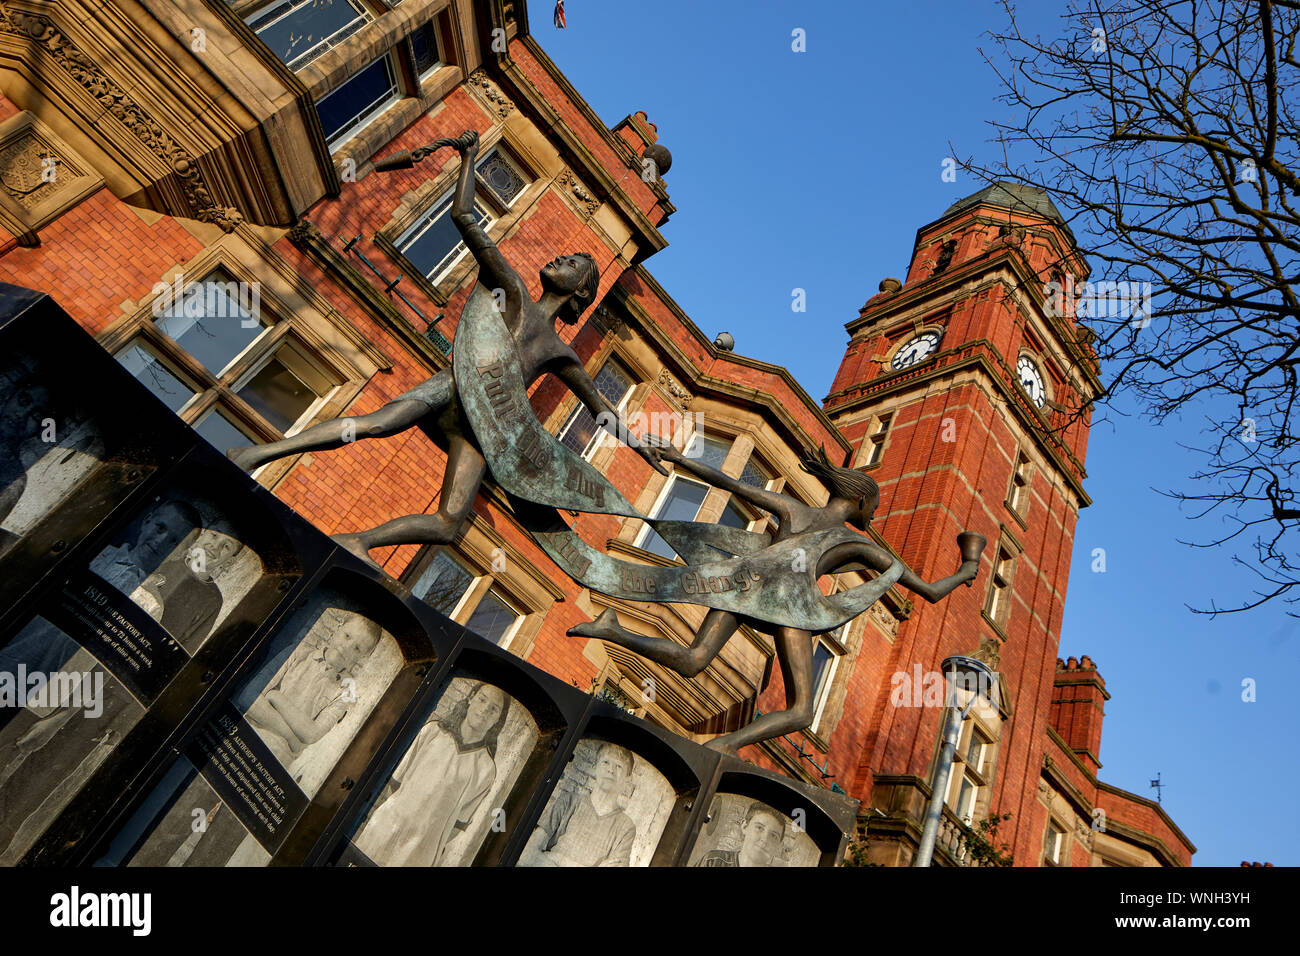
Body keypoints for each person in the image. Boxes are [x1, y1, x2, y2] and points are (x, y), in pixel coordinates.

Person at [227, 129, 664, 568]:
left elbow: (599, 407)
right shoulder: (510, 288)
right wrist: (470, 158)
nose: (558, 260)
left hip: (480, 429)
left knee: (450, 523)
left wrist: (641, 445)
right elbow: (464, 215)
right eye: (564, 256)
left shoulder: (560, 352)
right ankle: (257, 454)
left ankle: (358, 540)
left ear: (580, 293)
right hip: (452, 388)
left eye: (571, 264)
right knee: (373, 425)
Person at [570, 444, 983, 755]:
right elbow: (928, 591)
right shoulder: (857, 544)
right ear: (859, 501)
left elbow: (732, 484)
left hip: (744, 588)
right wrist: (967, 567)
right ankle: (726, 745)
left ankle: (614, 630)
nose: (873, 515)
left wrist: (679, 457)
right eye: (873, 506)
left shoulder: (793, 509)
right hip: (790, 611)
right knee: (801, 711)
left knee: (694, 659)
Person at [353, 681, 510, 866]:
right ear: (470, 699)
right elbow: (395, 783)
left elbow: (458, 824)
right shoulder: (432, 732)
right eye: (482, 700)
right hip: (386, 827)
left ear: (497, 721)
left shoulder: (486, 769)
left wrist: (427, 838)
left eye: (493, 709)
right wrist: (399, 819)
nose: (485, 710)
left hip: (421, 852)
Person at [244, 611, 382, 769]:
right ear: (338, 628)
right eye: (347, 636)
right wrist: (291, 738)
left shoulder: (344, 694)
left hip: (275, 759)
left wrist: (274, 696)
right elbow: (248, 697)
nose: (346, 647)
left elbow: (311, 734)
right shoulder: (298, 652)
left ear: (362, 658)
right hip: (247, 733)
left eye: (357, 648)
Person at [524, 740, 636, 867]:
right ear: (595, 767)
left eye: (619, 766)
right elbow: (526, 854)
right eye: (606, 762)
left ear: (627, 779)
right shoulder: (568, 801)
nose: (611, 770)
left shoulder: (626, 827)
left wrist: (556, 858)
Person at [694, 801, 786, 867]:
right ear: (744, 826)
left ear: (779, 846)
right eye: (759, 828)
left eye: (773, 836)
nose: (765, 839)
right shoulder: (713, 862)